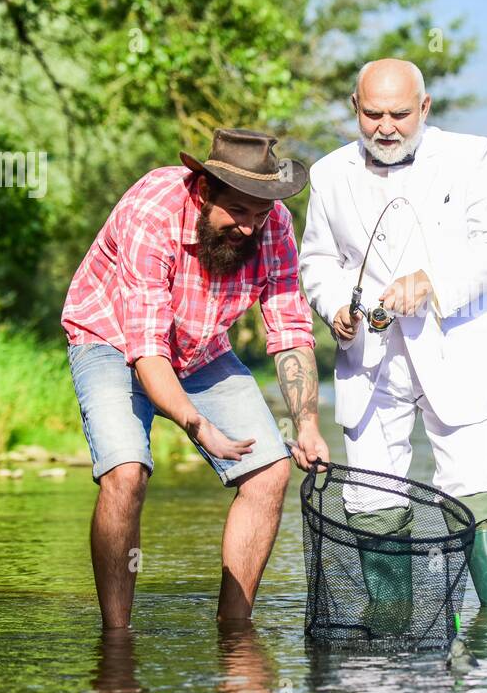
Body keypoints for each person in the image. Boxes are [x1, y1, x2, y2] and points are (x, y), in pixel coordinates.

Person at [61, 128, 330, 630]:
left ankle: (234, 631)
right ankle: (117, 636)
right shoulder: (153, 212)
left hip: (202, 347)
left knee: (270, 471)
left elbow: (290, 329)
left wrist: (308, 422)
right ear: (205, 191)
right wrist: (195, 422)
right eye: (238, 212)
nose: (250, 228)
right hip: (111, 340)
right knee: (126, 473)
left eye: (259, 214)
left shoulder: (274, 226)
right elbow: (147, 351)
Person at [300, 58, 487, 608]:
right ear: (355, 108)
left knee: (473, 484)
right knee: (370, 492)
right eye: (373, 113)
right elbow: (317, 263)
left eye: (400, 113)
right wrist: (334, 308)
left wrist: (432, 282)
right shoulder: (327, 174)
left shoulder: (471, 156)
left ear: (424, 108)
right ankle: (392, 632)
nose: (386, 126)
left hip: (456, 350)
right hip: (368, 357)